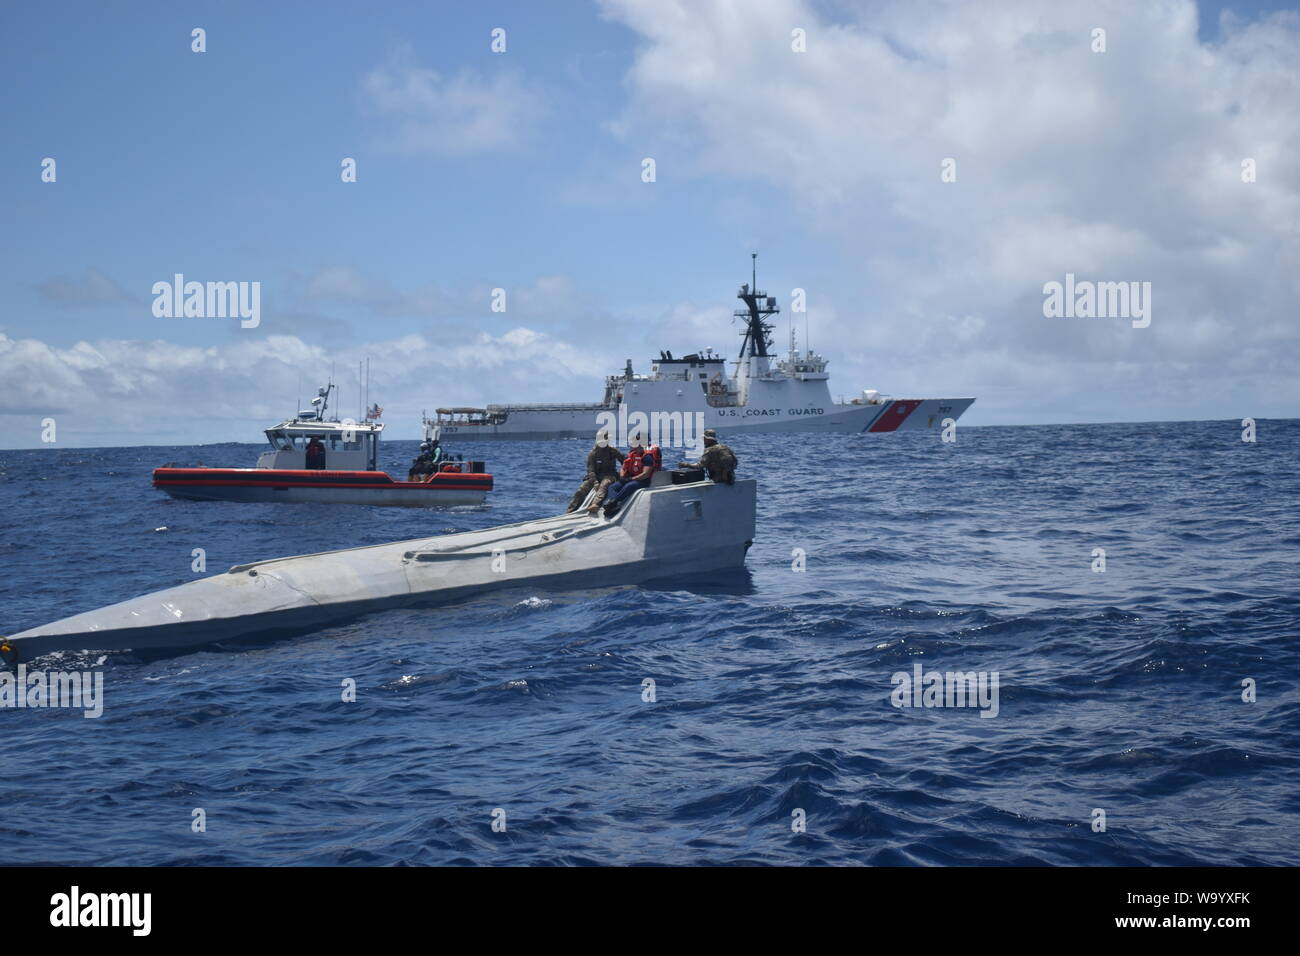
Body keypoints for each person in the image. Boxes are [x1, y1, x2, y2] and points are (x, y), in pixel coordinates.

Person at [566, 429, 625, 512]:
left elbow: (625, 462)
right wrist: (595, 482)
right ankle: (571, 510)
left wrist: (623, 473)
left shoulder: (613, 451)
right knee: (581, 489)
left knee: (604, 485)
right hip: (595, 476)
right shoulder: (593, 453)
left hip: (610, 475)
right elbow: (591, 470)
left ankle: (595, 504)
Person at [601, 433, 657, 516]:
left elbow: (646, 474)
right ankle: (611, 504)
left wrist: (631, 479)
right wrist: (622, 476)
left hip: (642, 481)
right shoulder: (631, 454)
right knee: (613, 487)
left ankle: (613, 503)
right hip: (629, 478)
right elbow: (623, 467)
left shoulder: (647, 457)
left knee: (629, 486)